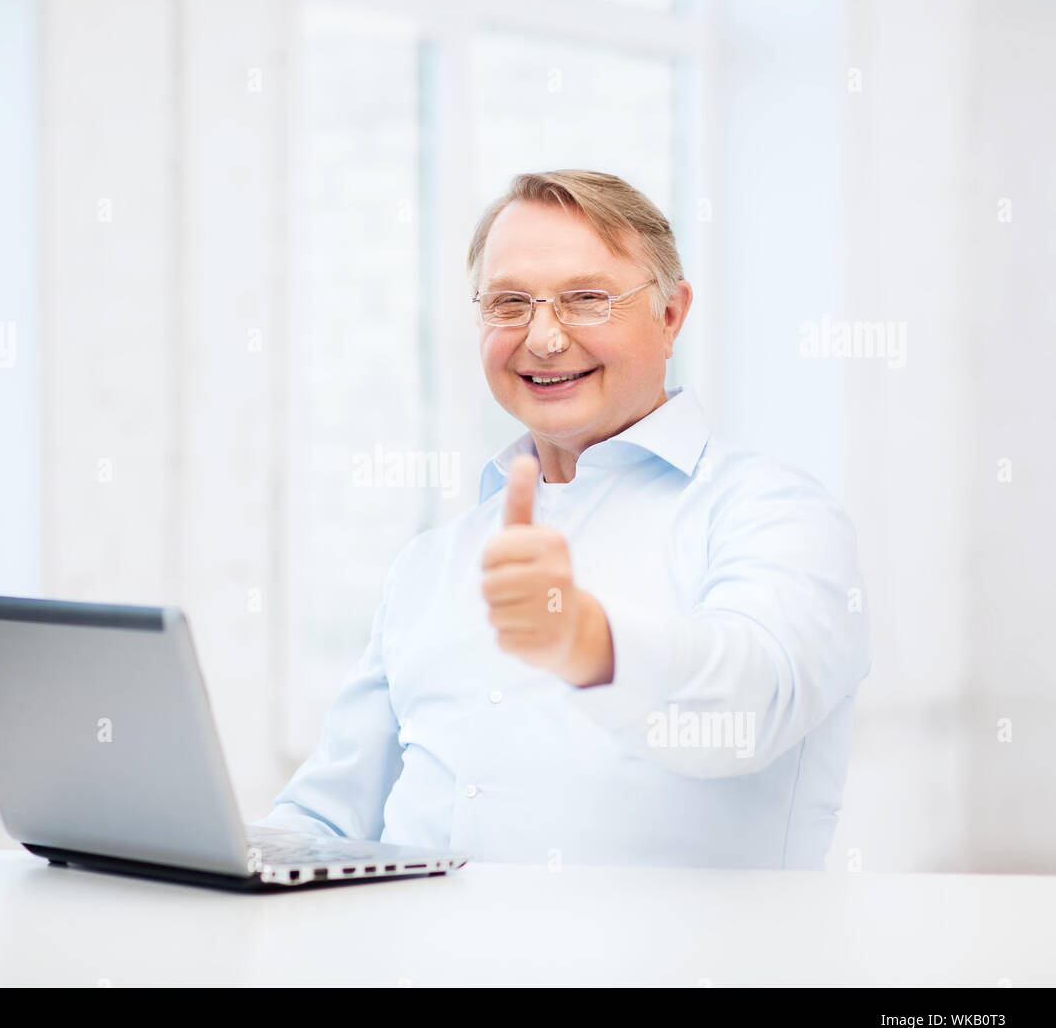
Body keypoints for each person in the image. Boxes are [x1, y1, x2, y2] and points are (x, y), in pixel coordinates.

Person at [253, 168, 872, 868]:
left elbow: (753, 705)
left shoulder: (775, 512)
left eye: (586, 299)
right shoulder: (430, 562)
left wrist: (588, 641)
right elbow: (327, 816)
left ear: (671, 314)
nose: (543, 337)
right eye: (510, 302)